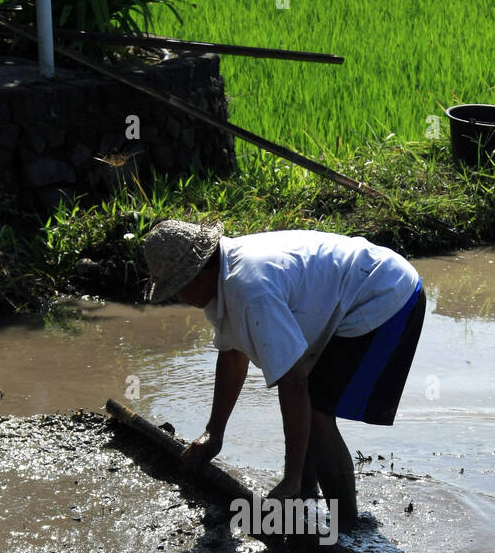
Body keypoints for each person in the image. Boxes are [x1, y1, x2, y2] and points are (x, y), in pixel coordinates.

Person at [142, 220, 426, 530]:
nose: (179, 298)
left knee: (317, 410)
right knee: (310, 399)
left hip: (385, 295)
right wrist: (214, 433)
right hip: (357, 289)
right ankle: (305, 496)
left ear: (199, 274)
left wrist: (287, 478)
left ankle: (346, 526)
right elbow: (233, 353)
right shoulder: (226, 278)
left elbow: (293, 383)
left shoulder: (249, 290)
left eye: (178, 288)